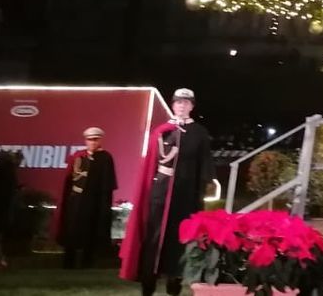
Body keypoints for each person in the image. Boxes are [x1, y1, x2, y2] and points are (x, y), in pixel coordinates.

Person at [119, 88, 215, 296]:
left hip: (186, 194)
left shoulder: (200, 133)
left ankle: (175, 284)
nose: (182, 106)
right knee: (154, 236)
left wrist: (200, 195)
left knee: (179, 239)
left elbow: (204, 166)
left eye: (186, 102)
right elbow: (152, 163)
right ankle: (148, 284)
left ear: (192, 106)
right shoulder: (162, 130)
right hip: (160, 193)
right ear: (173, 105)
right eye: (178, 102)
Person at [54, 127, 119, 268]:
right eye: (90, 140)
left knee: (91, 230)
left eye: (95, 139)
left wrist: (103, 205)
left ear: (100, 140)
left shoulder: (105, 158)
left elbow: (107, 184)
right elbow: (69, 179)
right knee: (71, 229)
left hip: (94, 201)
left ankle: (87, 262)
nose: (92, 142)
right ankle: (68, 262)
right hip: (76, 200)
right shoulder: (78, 156)